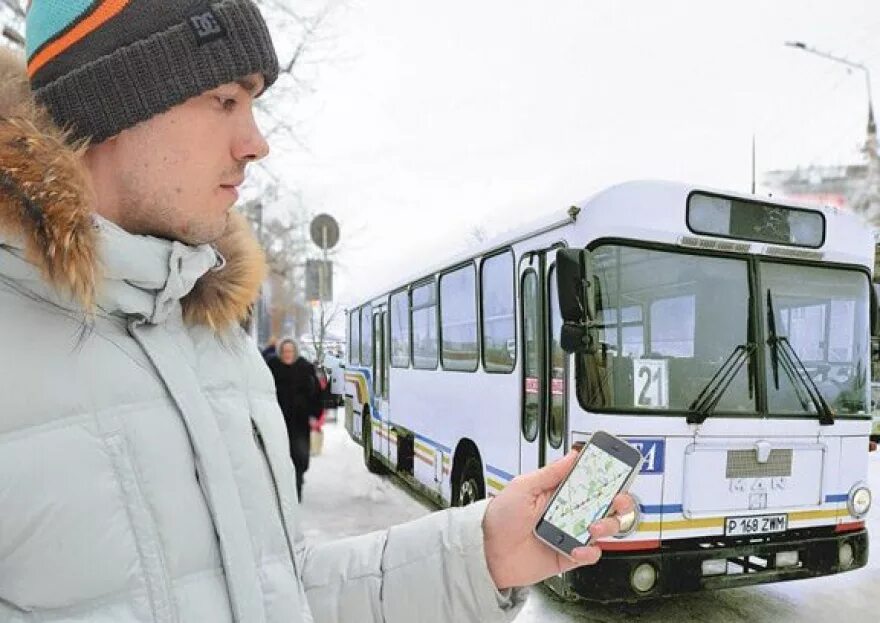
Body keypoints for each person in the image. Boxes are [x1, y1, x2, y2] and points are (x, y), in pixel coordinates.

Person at [0, 2, 633, 622]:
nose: (256, 143)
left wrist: (483, 556)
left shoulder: (214, 341)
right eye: (225, 99)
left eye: (253, 104)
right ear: (112, 102)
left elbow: (275, 591)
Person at [268, 338, 320, 499]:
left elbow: (316, 393)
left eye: (290, 351)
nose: (287, 354)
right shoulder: (272, 367)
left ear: (295, 352)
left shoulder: (305, 368)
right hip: (278, 421)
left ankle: (298, 483)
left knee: (300, 456)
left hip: (300, 421)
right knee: (281, 456)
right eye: (284, 351)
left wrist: (315, 413)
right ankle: (284, 489)